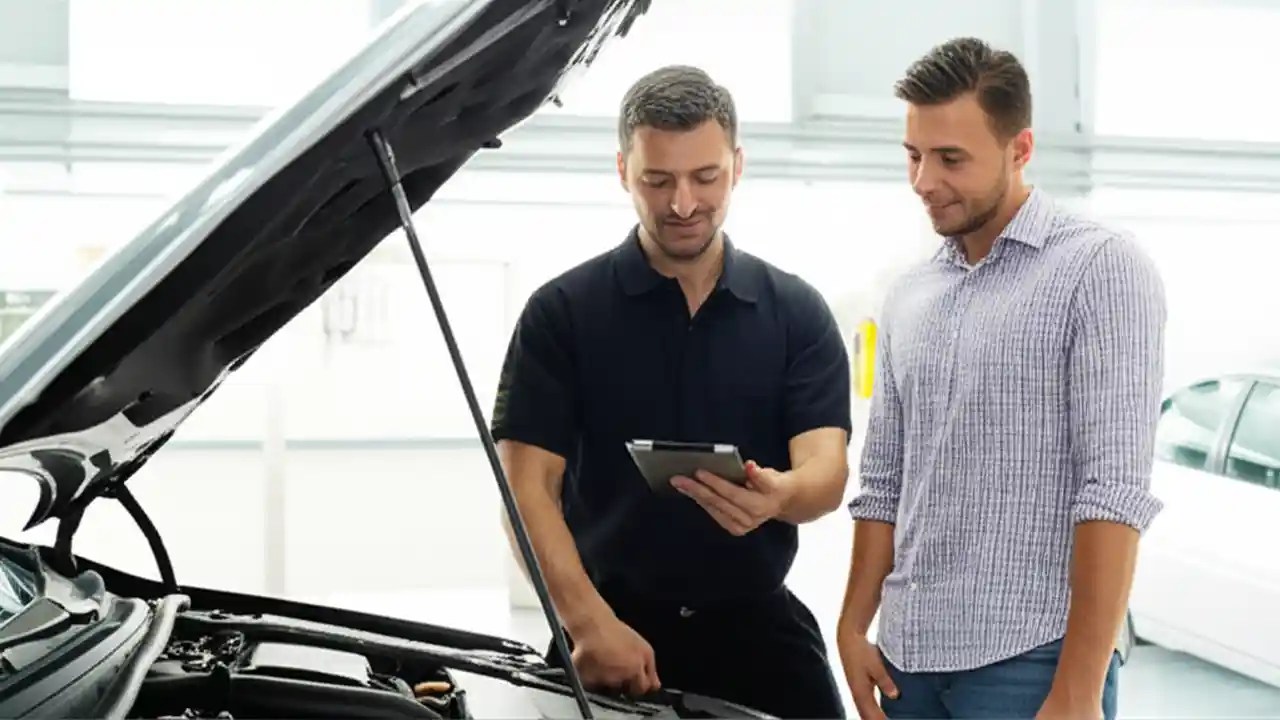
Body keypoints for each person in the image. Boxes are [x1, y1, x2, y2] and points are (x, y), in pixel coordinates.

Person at [490, 64, 851, 720]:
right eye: (657, 180)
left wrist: (781, 497)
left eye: (705, 177)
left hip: (762, 639)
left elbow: (825, 472)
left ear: (737, 166)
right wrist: (590, 624)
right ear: (623, 170)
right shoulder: (561, 314)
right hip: (605, 636)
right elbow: (525, 493)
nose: (682, 203)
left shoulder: (797, 312)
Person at [836, 37, 1167, 720]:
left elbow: (1113, 494)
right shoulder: (908, 292)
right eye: (914, 155)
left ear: (1020, 150)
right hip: (906, 662)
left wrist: (1077, 691)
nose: (925, 180)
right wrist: (850, 625)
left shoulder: (1099, 269)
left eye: (951, 158)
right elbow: (884, 483)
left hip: (1033, 662)